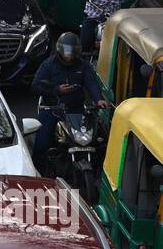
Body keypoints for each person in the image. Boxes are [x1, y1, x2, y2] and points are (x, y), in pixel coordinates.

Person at [31, 31, 107, 173]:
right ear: (60, 50)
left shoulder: (84, 66)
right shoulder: (48, 65)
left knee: (99, 140)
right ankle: (38, 174)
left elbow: (92, 84)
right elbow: (35, 87)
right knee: (42, 143)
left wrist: (99, 100)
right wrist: (57, 90)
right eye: (67, 51)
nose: (69, 55)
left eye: (73, 51)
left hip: (76, 109)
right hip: (52, 109)